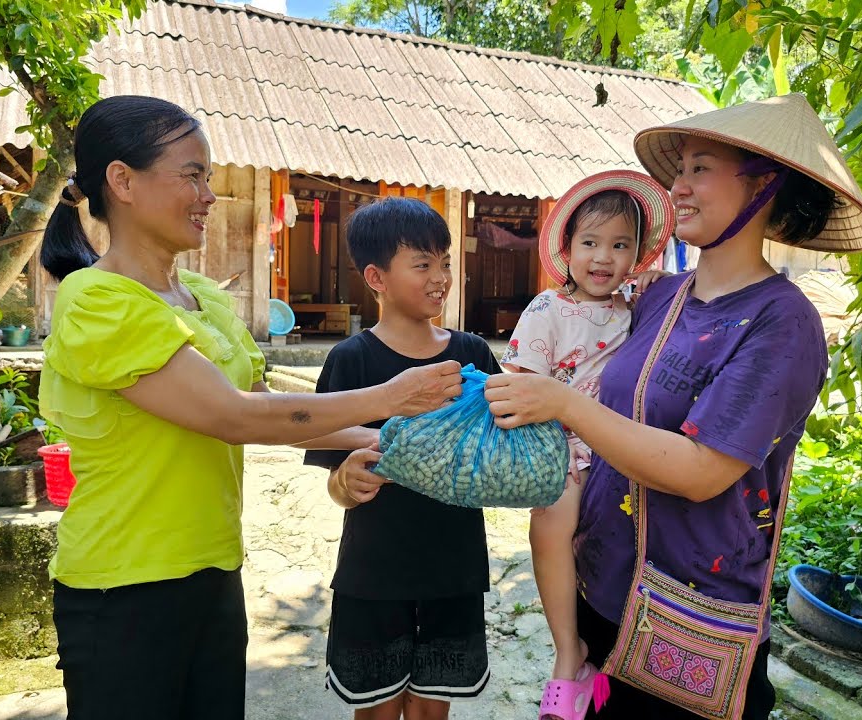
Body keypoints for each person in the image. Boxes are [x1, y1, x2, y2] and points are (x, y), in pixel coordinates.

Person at [38, 96, 462, 720]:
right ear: (122, 181)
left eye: (208, 176)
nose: (209, 193)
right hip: (123, 584)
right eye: (191, 174)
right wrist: (394, 395)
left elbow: (269, 408)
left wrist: (390, 438)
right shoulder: (96, 300)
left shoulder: (202, 297)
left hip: (214, 572)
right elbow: (232, 416)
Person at [483, 93, 862, 719]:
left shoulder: (781, 323)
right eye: (680, 170)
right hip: (603, 592)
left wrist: (562, 404)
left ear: (765, 184)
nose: (679, 186)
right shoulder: (656, 296)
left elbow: (700, 471)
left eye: (701, 167)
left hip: (690, 619)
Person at [304, 197, 500, 720]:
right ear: (377, 276)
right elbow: (332, 473)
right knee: (375, 709)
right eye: (423, 264)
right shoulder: (352, 360)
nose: (440, 277)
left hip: (453, 568)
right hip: (374, 572)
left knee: (432, 709)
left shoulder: (472, 356)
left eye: (446, 262)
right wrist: (346, 484)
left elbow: (498, 447)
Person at [497, 170, 674, 720]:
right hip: (563, 445)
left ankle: (614, 655)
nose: (604, 258)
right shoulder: (548, 311)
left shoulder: (638, 309)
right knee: (551, 524)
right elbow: (519, 382)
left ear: (638, 255)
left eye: (620, 245)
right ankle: (566, 652)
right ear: (567, 248)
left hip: (621, 447)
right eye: (591, 243)